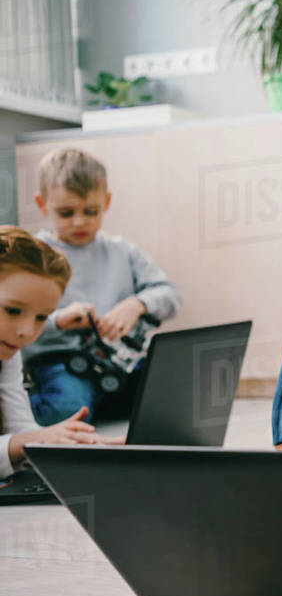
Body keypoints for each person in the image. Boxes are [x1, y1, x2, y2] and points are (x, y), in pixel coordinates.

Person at [24, 148, 182, 424]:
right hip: (60, 361)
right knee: (66, 408)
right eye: (66, 212)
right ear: (42, 204)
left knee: (174, 395)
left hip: (117, 359)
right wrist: (58, 321)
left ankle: (98, 403)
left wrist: (137, 304)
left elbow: (170, 295)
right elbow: (16, 321)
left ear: (106, 202)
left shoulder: (122, 251)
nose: (80, 221)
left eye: (91, 211)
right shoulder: (34, 255)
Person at [0, 226, 122, 479]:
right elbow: (20, 441)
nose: (26, 331)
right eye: (12, 310)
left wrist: (70, 444)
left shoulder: (7, 351)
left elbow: (21, 428)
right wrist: (24, 442)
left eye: (41, 317)